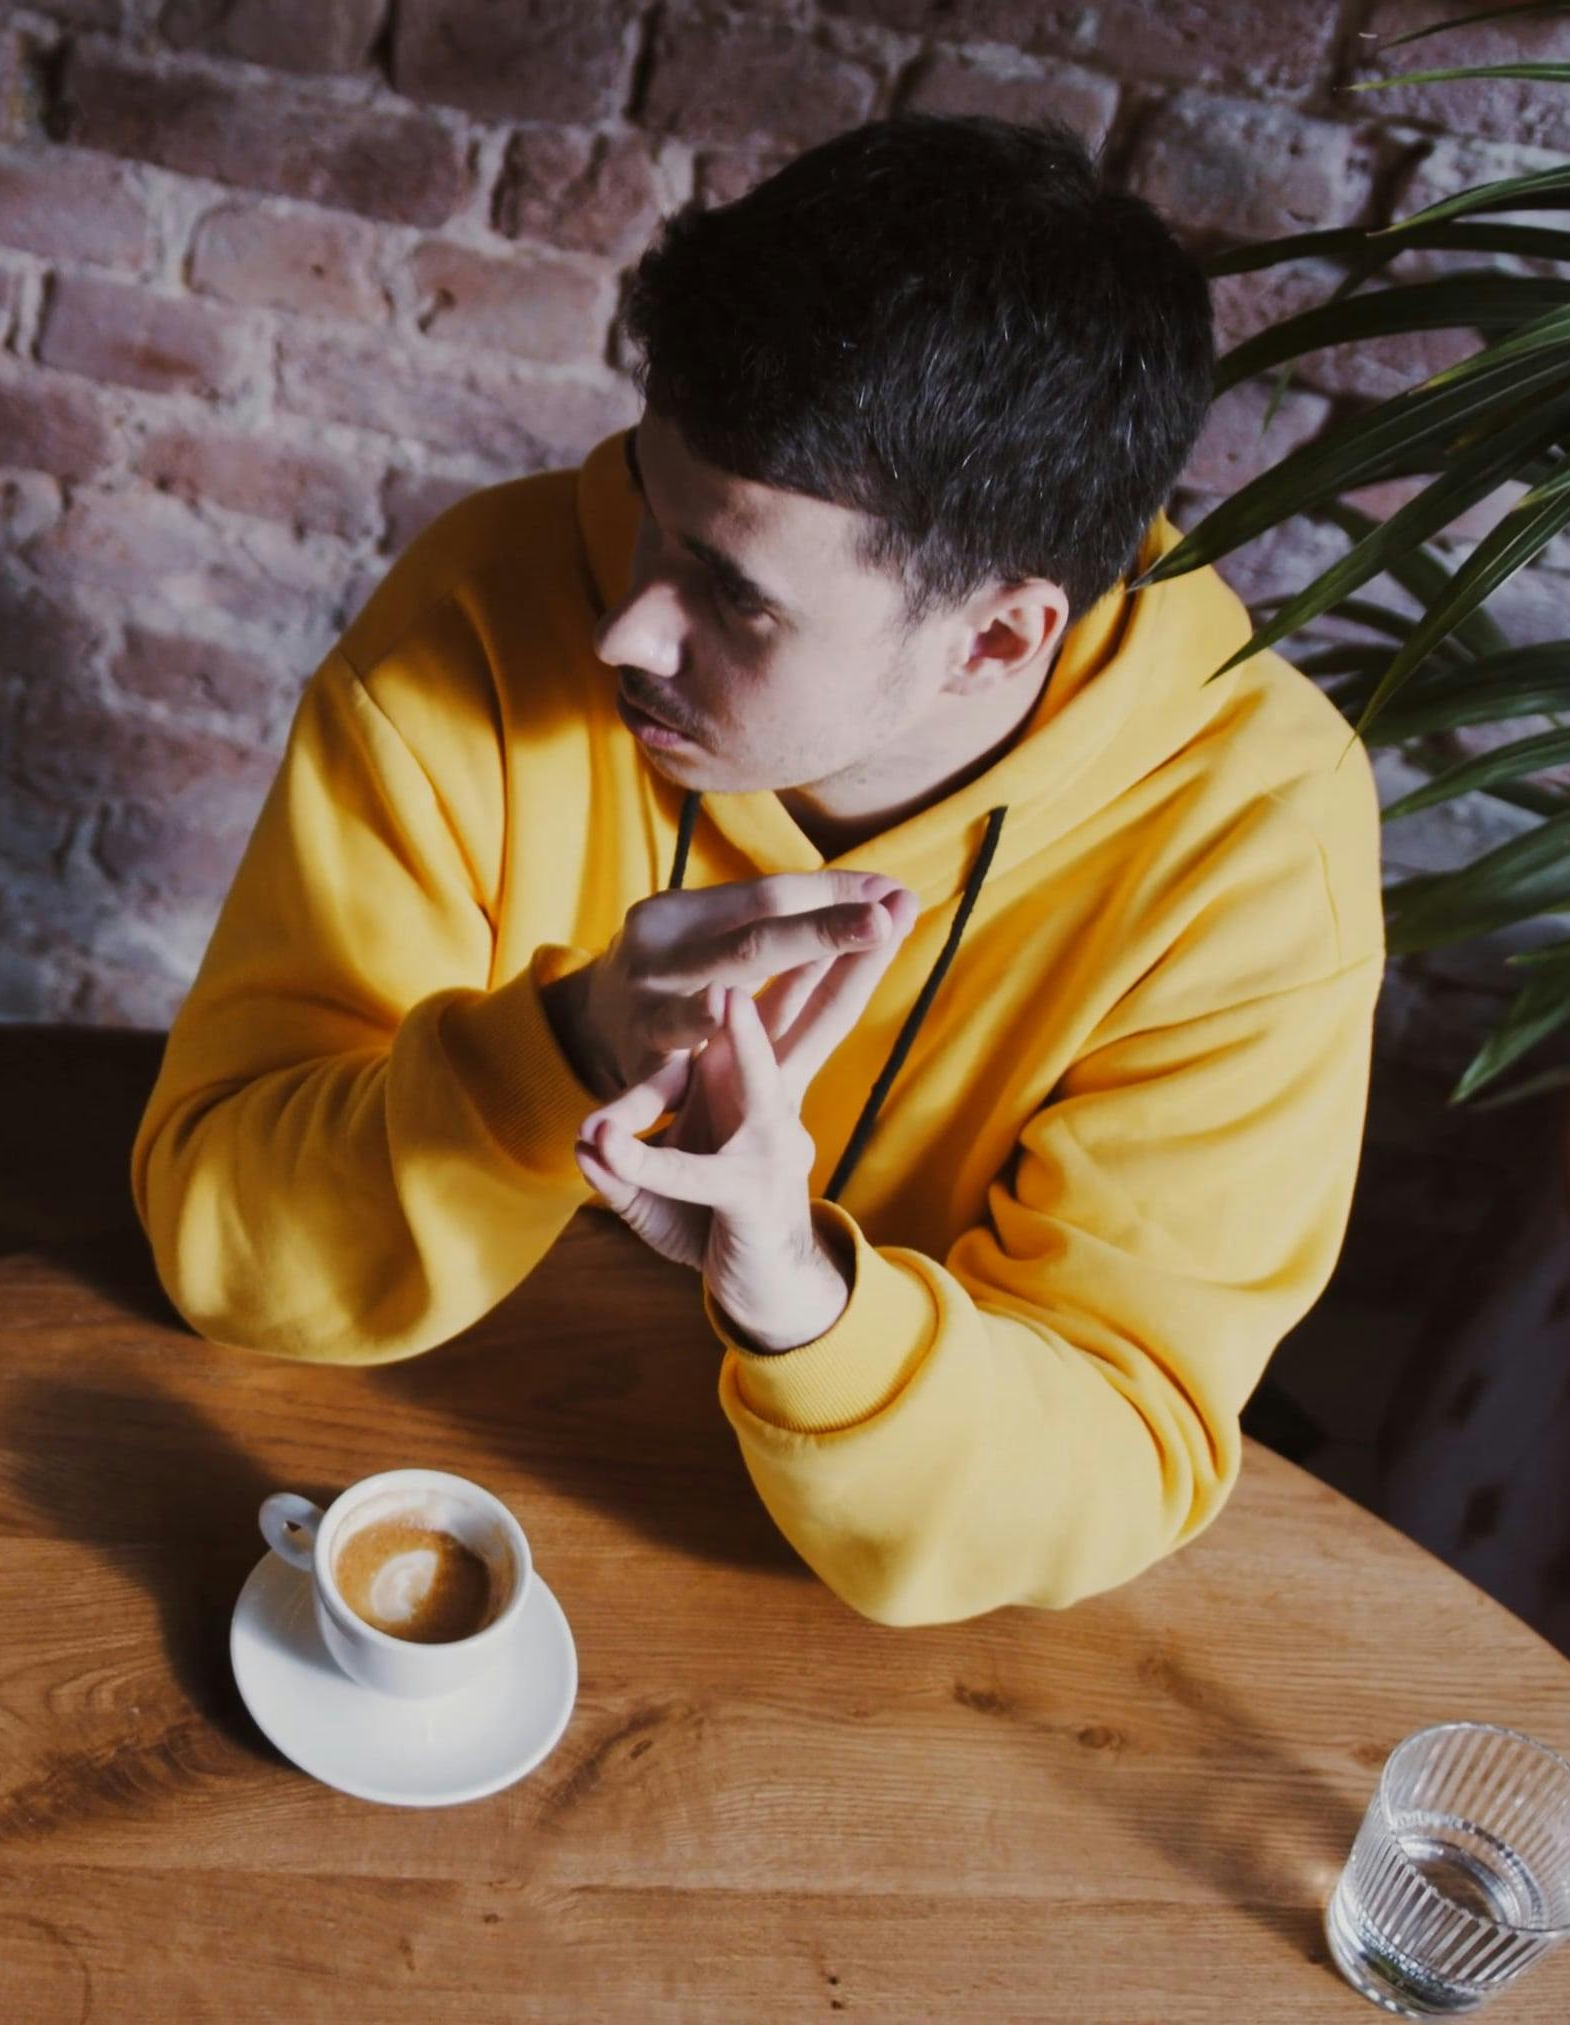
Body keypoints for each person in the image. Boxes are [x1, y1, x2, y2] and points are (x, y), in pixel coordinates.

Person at [134, 116, 1383, 1628]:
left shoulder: (1260, 838)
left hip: (824, 1595)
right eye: (649, 513)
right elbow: (221, 1222)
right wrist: (567, 1047)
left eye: (728, 590)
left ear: (998, 636)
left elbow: (1121, 1443)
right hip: (401, 1446)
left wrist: (799, 1295)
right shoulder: (483, 609)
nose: (625, 632)